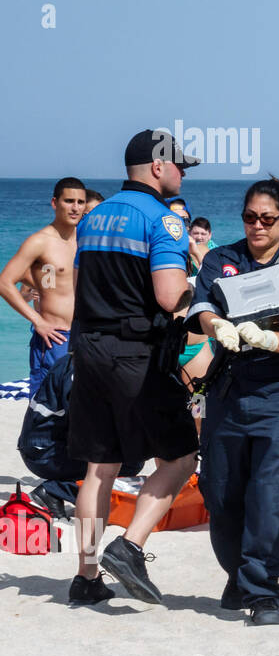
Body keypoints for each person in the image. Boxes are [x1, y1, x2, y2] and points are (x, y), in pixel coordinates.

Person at [66, 129, 201, 606]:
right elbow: (168, 295)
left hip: (90, 350)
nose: (184, 173)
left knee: (98, 468)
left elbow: (80, 289)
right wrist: (198, 290)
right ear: (159, 167)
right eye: (180, 165)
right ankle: (130, 546)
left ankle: (85, 578)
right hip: (136, 355)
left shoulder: (92, 218)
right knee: (182, 455)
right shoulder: (165, 222)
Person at [188, 177, 279, 625]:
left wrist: (270, 338)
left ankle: (263, 589)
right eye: (250, 217)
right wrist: (217, 327)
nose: (257, 226)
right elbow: (201, 308)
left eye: (267, 218)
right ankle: (238, 574)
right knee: (222, 491)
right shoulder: (220, 259)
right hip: (227, 391)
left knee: (272, 494)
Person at [21, 354, 145, 519]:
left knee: (131, 460)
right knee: (121, 460)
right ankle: (53, 490)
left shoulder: (95, 361)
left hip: (52, 443)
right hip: (43, 450)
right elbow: (84, 422)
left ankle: (60, 491)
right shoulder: (79, 368)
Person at [1, 177, 86, 393]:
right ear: (54, 203)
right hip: (54, 339)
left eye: (80, 202)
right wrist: (38, 321)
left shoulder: (86, 239)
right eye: (69, 201)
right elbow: (5, 282)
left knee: (80, 412)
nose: (75, 208)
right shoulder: (39, 241)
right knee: (46, 414)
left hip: (84, 337)